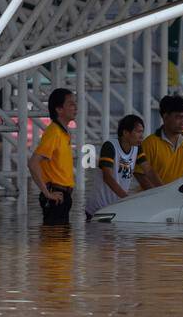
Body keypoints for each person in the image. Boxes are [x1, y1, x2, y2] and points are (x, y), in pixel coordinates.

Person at [85, 114, 156, 219]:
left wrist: (165, 189)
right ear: (126, 133)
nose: (142, 136)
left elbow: (149, 171)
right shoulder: (109, 146)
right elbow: (107, 177)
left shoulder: (137, 148)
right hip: (98, 208)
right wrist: (126, 199)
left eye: (142, 132)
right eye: (138, 132)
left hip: (116, 207)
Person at [29, 88, 77, 225]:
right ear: (59, 109)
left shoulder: (63, 133)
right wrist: (47, 193)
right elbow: (33, 163)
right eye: (71, 104)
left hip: (63, 195)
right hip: (56, 196)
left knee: (60, 243)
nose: (76, 107)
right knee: (55, 243)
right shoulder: (54, 133)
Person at [141, 95, 183, 187]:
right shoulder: (150, 143)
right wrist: (156, 194)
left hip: (181, 196)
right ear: (165, 117)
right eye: (178, 117)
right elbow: (140, 174)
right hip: (156, 197)